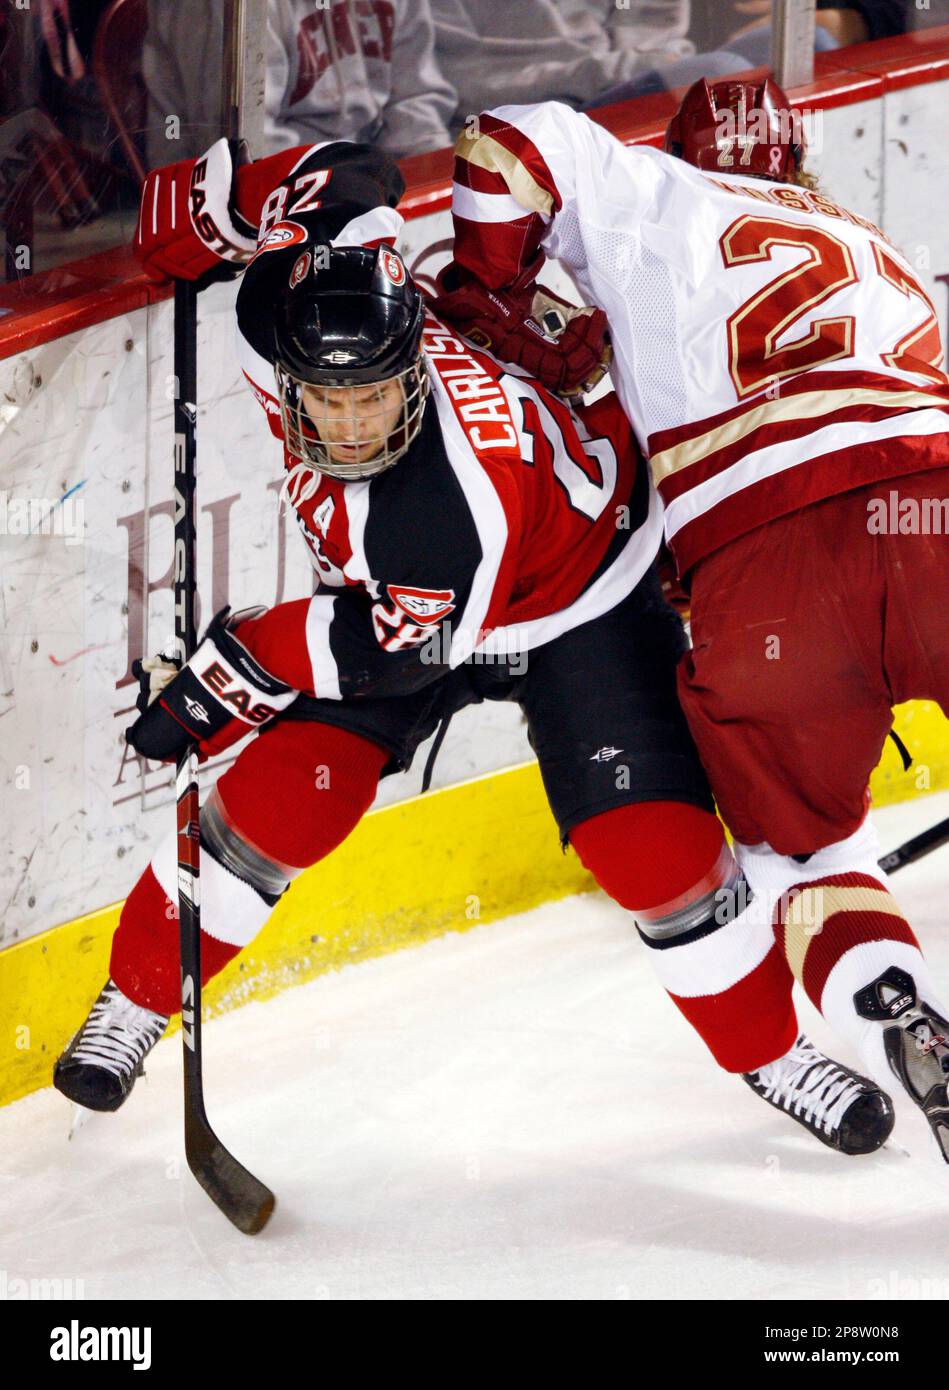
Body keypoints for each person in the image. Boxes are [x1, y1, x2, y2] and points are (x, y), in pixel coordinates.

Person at [53, 131, 891, 1159]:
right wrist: (212, 208)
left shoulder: (449, 505)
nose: (353, 425)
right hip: (405, 596)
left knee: (654, 851)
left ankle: (770, 1052)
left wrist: (226, 674)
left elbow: (389, 650)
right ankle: (134, 998)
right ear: (287, 365)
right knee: (286, 793)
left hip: (576, 590)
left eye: (374, 396)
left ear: (412, 372)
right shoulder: (277, 303)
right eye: (331, 398)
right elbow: (348, 170)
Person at [430, 78, 949, 1161]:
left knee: (802, 853)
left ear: (681, 149)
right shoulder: (870, 244)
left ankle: (890, 998)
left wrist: (492, 286)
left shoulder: (655, 191)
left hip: (769, 580)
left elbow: (508, 139)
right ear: (798, 162)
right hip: (932, 503)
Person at [143, 0, 455, 171]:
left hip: (359, 188)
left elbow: (416, 98)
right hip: (231, 226)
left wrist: (431, 180)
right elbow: (246, 155)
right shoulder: (228, 9)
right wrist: (354, 191)